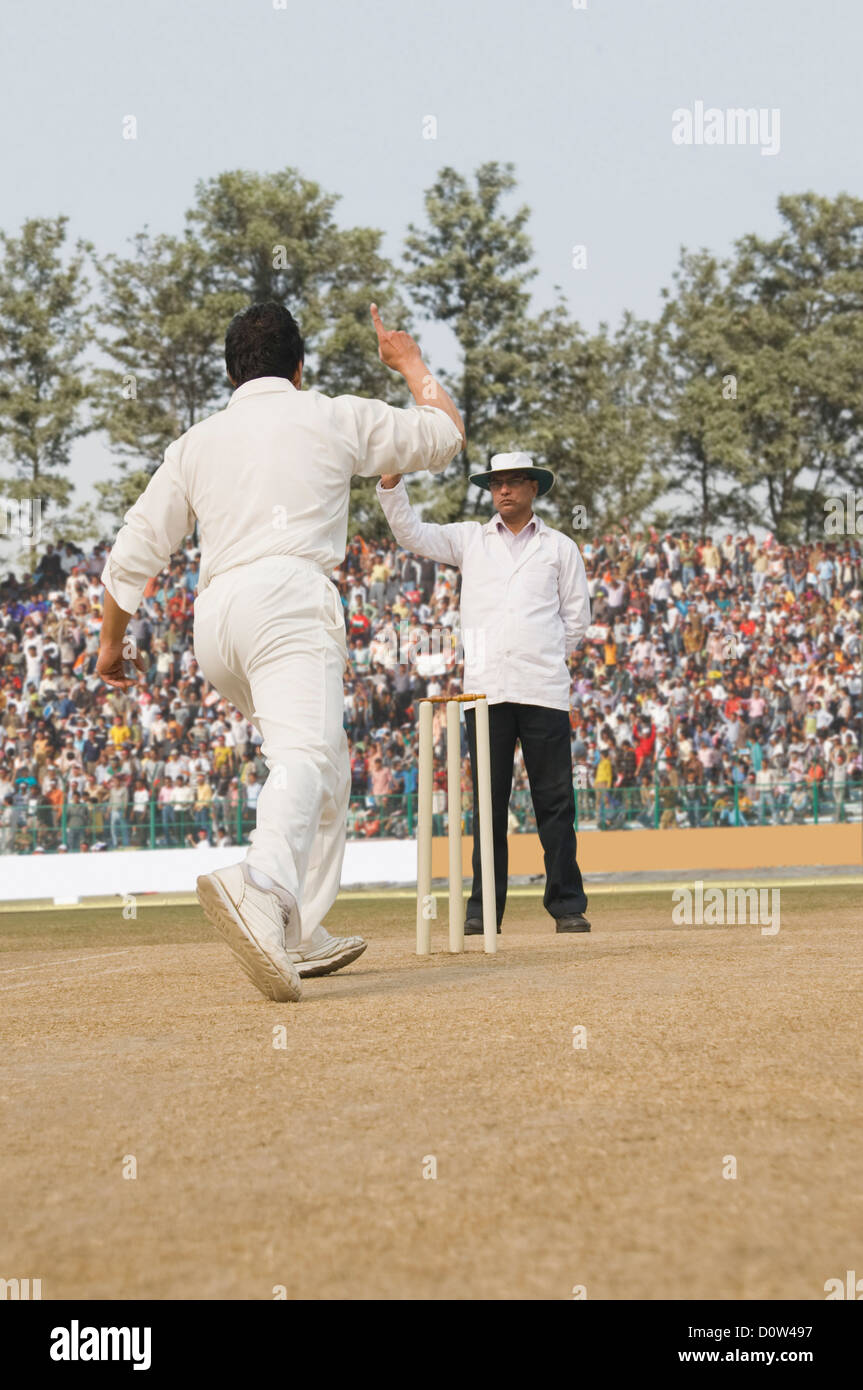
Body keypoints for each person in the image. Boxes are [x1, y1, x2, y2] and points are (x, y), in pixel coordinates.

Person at [97, 301, 464, 1002]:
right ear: (299, 368)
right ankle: (261, 885)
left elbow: (134, 550)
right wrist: (411, 363)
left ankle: (299, 928)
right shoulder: (332, 415)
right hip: (288, 602)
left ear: (231, 374)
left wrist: (111, 643)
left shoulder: (196, 443)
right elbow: (446, 435)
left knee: (327, 767)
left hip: (217, 623)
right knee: (305, 758)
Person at [377, 452, 591, 934]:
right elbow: (411, 533)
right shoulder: (469, 539)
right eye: (496, 484)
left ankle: (567, 905)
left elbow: (576, 619)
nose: (504, 490)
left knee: (555, 803)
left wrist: (541, 653)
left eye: (514, 482)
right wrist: (392, 486)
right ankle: (483, 909)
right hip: (486, 692)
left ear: (534, 488)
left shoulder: (560, 547)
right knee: (488, 807)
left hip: (543, 689)